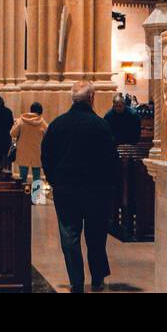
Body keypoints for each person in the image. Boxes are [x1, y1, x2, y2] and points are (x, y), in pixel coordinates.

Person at [40, 81, 118, 292]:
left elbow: (46, 156)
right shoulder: (101, 125)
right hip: (96, 190)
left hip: (66, 189)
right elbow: (112, 159)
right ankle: (98, 278)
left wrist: (55, 180)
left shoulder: (57, 125)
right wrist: (109, 186)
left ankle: (76, 282)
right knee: (96, 235)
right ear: (92, 99)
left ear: (71, 99)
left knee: (69, 236)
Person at [11, 101, 48, 196]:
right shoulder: (42, 123)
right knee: (37, 177)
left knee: (22, 176)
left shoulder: (21, 120)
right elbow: (48, 137)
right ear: (40, 112)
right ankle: (36, 198)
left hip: (23, 152)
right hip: (37, 153)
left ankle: (21, 196)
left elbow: (12, 133)